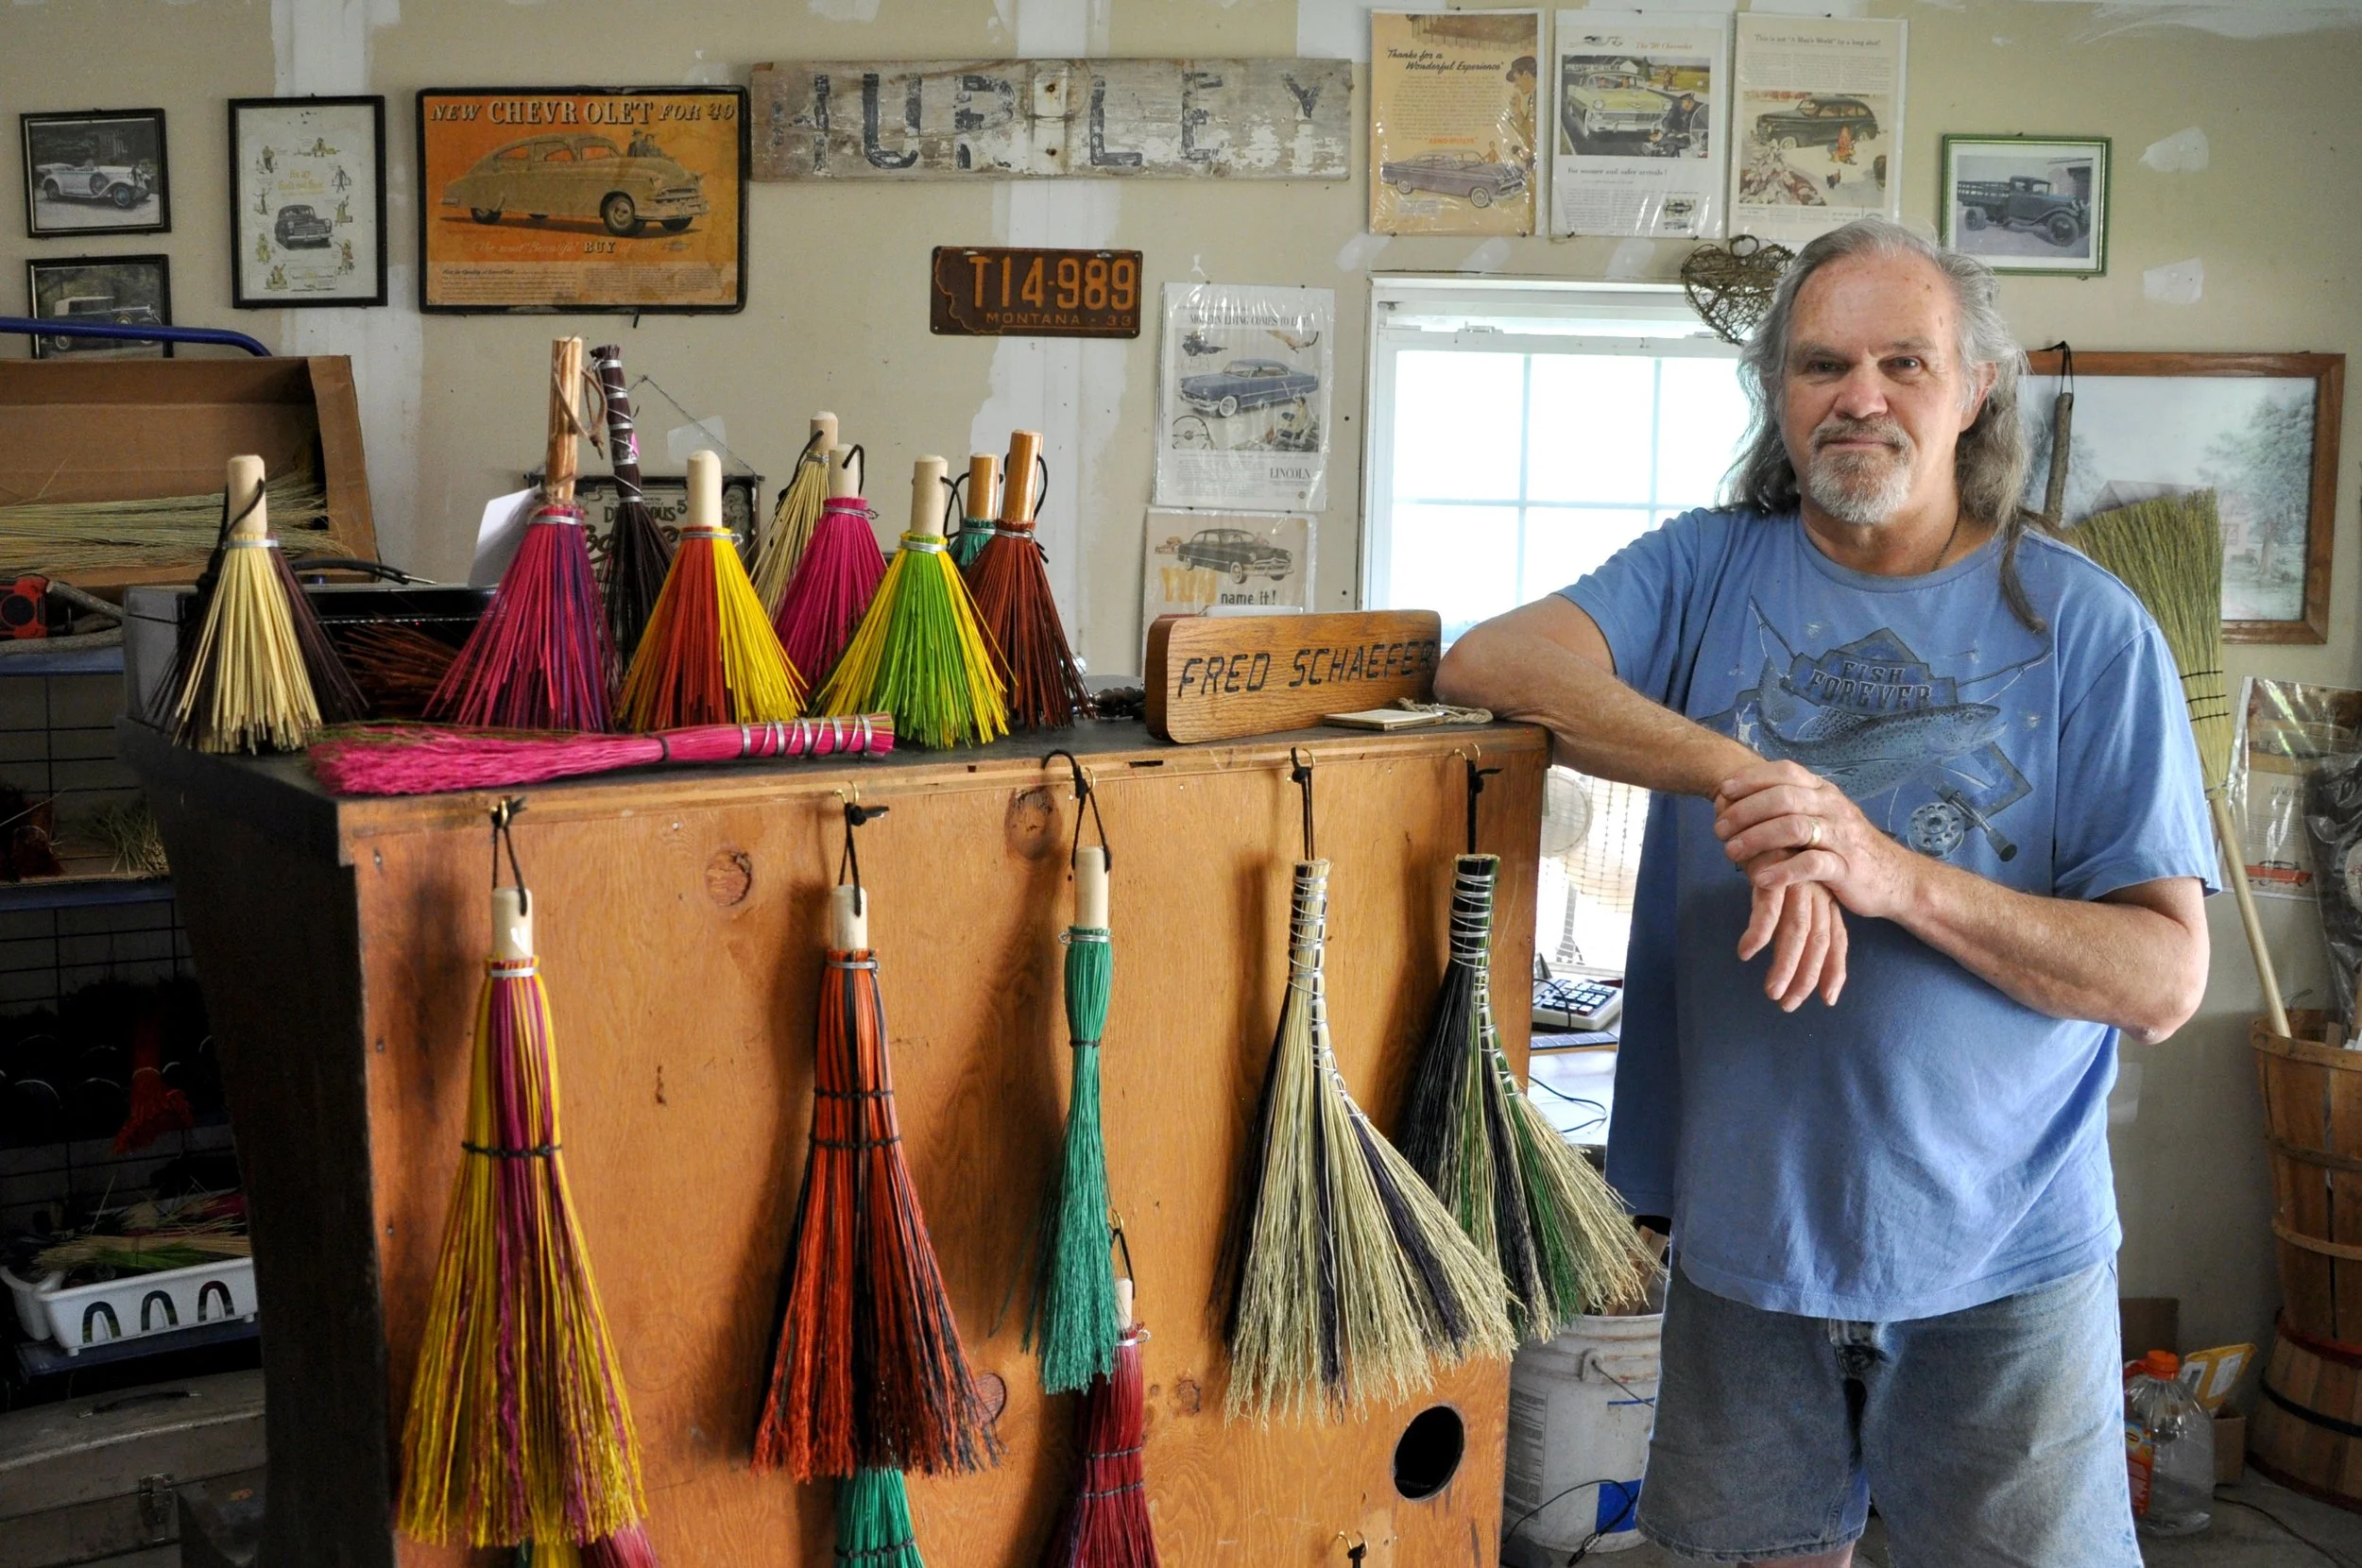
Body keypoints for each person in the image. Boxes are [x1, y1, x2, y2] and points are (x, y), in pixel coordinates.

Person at [1435, 217, 2213, 1567]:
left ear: (1974, 391)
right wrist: (1761, 783)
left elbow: (2163, 980)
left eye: (1905, 362)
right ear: (1780, 395)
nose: (1860, 395)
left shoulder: (2085, 628)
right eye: (1820, 365)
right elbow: (1487, 665)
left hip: (2007, 1267)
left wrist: (1888, 872)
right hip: (1747, 1255)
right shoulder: (1704, 571)